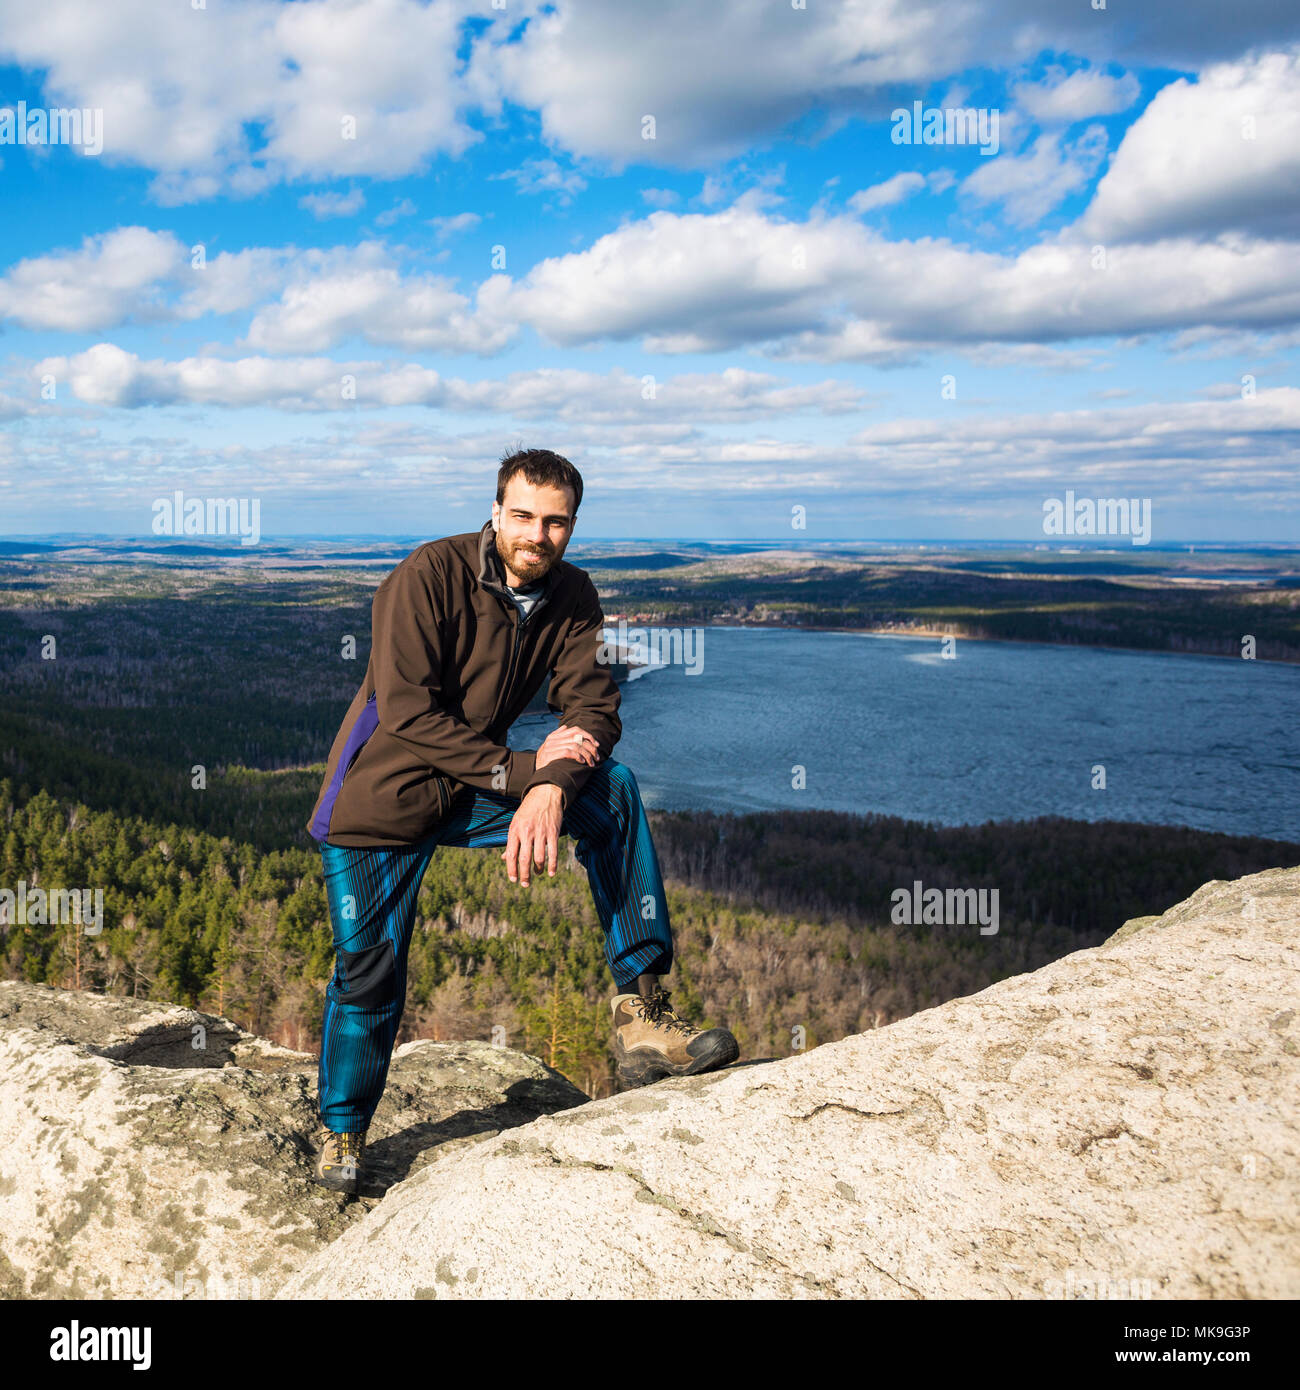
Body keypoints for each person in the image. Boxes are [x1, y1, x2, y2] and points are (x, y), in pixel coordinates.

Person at [305, 446, 739, 1194]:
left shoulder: (572, 593)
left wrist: (554, 784)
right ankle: (343, 1128)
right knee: (370, 972)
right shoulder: (428, 575)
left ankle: (644, 1009)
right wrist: (525, 772)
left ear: (571, 526)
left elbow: (593, 709)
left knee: (615, 791)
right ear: (497, 511)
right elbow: (409, 712)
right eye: (524, 516)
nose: (538, 535)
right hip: (383, 798)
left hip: (476, 785)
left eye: (557, 522)